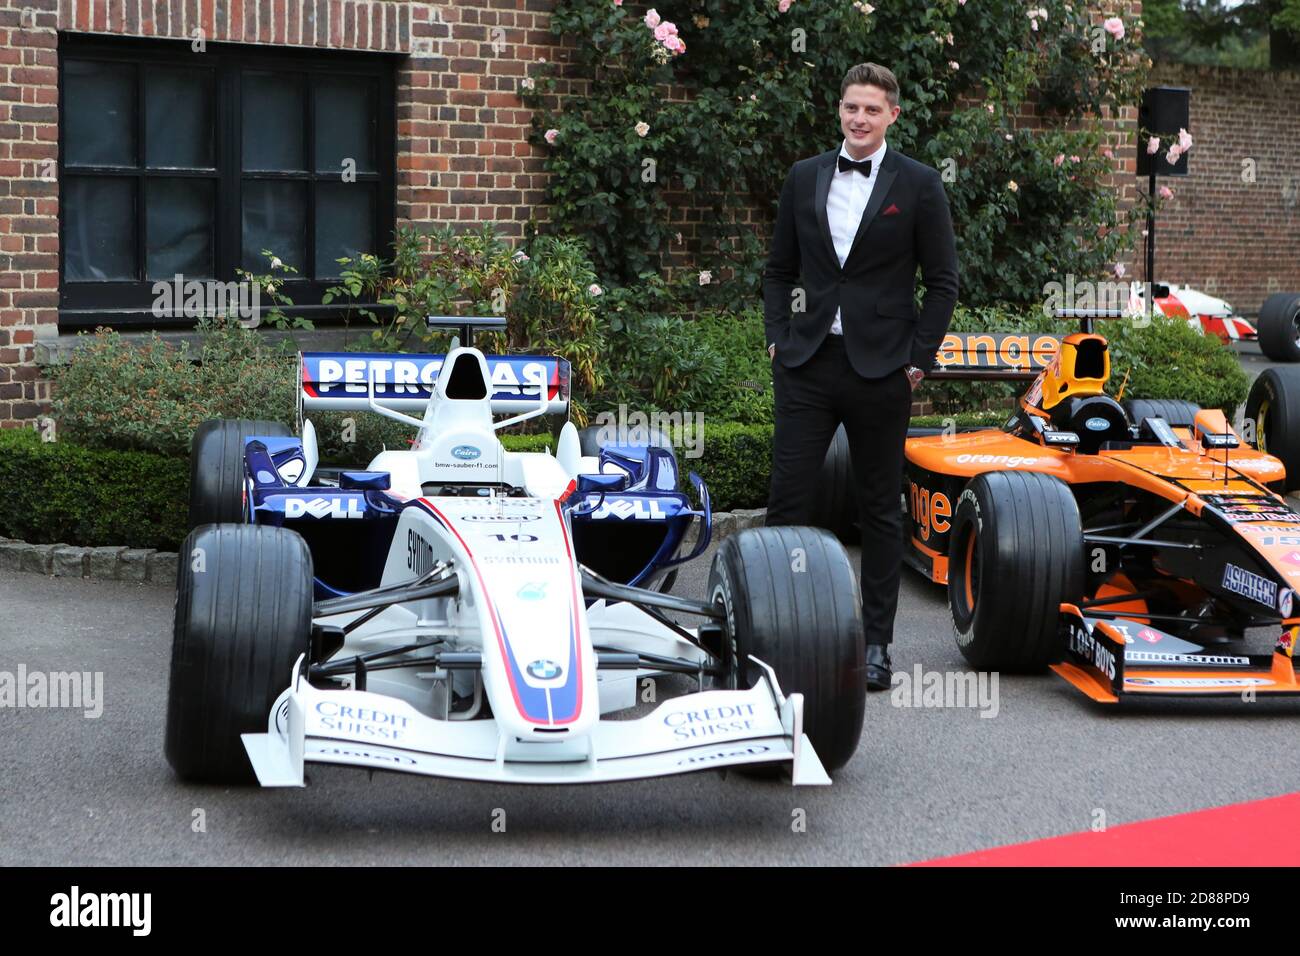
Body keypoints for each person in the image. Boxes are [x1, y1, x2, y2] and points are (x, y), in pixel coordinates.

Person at [762, 62, 959, 691]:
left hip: (881, 372)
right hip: (808, 365)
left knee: (880, 511)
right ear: (840, 110)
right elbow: (777, 271)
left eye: (872, 110)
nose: (860, 119)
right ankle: (774, 637)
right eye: (851, 108)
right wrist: (776, 340)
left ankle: (876, 645)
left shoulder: (921, 185)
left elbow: (943, 283)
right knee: (789, 502)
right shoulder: (804, 176)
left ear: (892, 115)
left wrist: (917, 360)